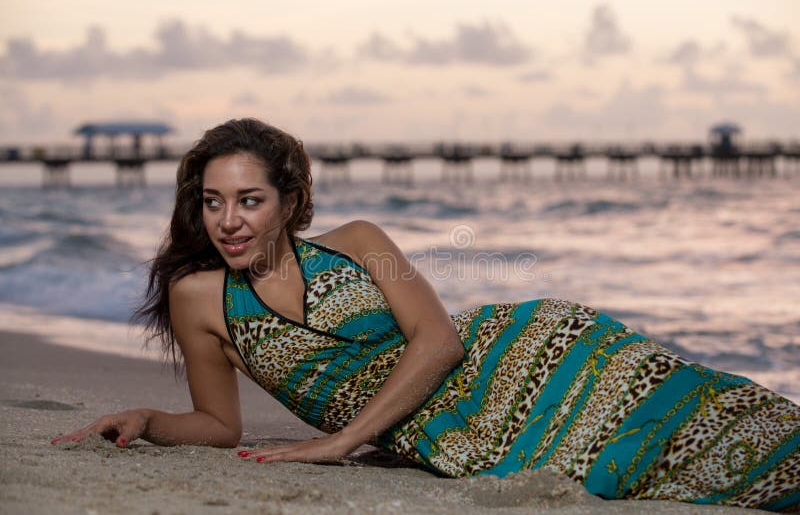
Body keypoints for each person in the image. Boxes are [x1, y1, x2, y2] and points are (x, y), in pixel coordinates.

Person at [52, 118, 800, 511]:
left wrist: (343, 442)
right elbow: (221, 427)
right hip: (448, 429)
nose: (229, 222)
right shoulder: (199, 298)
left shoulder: (359, 244)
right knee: (655, 472)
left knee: (707, 412)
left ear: (288, 201)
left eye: (249, 201)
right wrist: (150, 419)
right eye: (213, 202)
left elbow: (438, 339)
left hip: (526, 354)